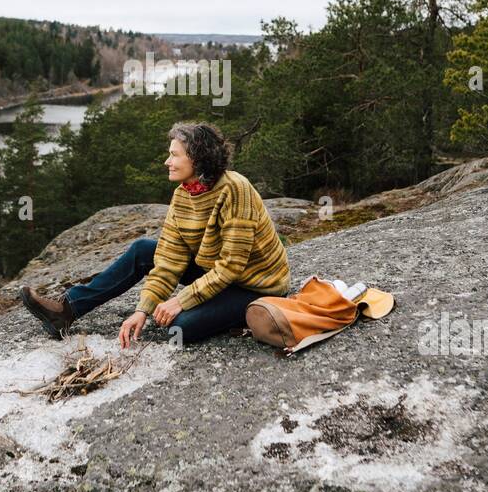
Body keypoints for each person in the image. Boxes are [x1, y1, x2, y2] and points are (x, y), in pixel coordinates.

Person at [20, 121, 291, 347]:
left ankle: (238, 315)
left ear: (197, 158)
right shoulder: (183, 195)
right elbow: (169, 260)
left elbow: (232, 266)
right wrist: (143, 309)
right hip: (215, 275)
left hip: (254, 285)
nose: (167, 162)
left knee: (181, 327)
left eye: (174, 155)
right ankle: (66, 311)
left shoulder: (235, 189)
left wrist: (180, 301)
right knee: (143, 250)